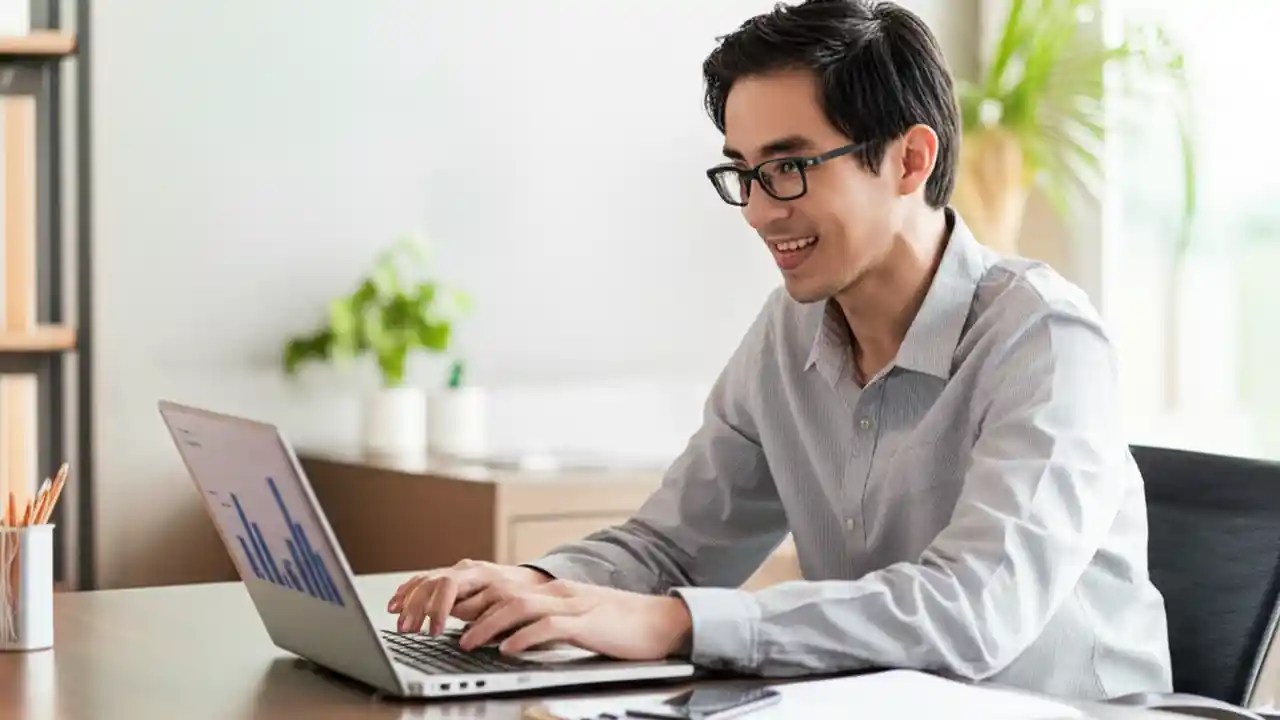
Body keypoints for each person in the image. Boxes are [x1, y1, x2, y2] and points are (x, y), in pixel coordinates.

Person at [386, 0, 1172, 699]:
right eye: (743, 172)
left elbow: (975, 612)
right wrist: (536, 585)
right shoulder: (788, 331)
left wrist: (673, 624)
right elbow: (677, 544)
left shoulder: (1046, 339)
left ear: (910, 159)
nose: (759, 212)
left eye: (789, 168)